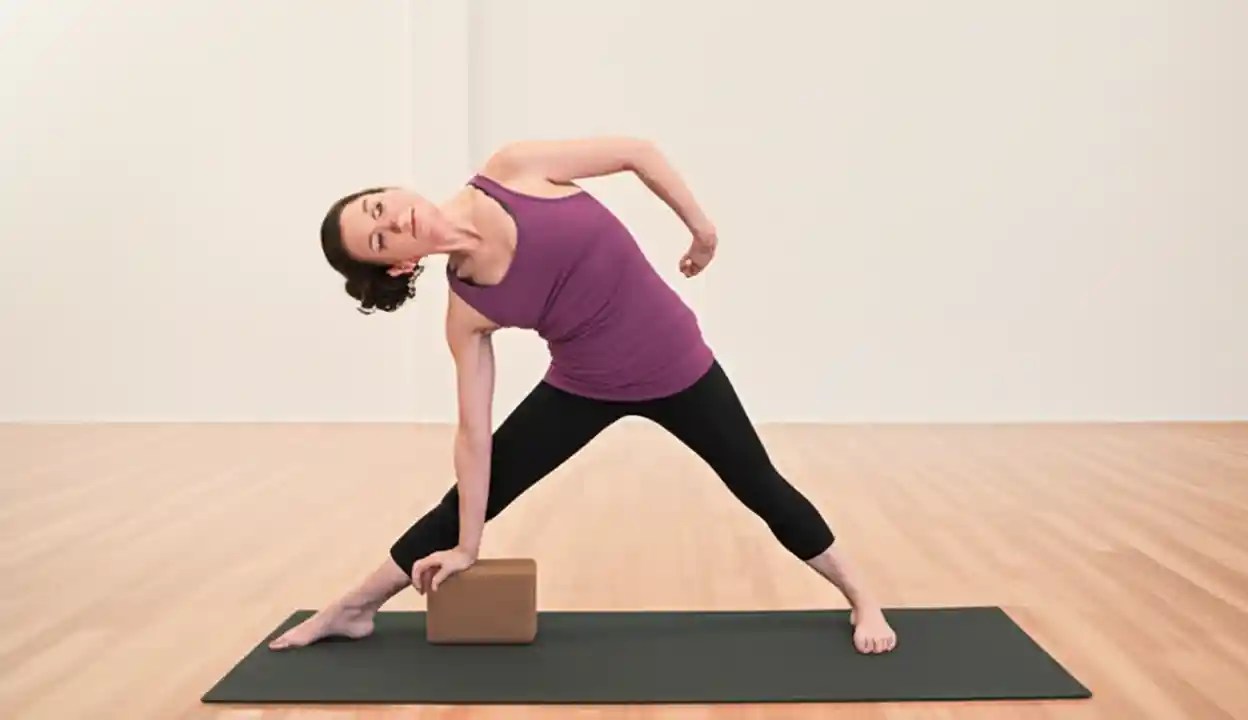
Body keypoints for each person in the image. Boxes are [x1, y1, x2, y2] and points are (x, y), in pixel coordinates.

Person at [270, 136, 898, 654]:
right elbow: (472, 435)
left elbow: (636, 153)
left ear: (396, 191)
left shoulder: (512, 169)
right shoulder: (465, 311)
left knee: (759, 484)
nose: (391, 221)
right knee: (468, 497)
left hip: (678, 365)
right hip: (585, 385)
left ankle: (862, 599)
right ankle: (352, 608)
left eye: (379, 206)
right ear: (401, 266)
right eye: (379, 240)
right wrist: (467, 546)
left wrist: (701, 231)